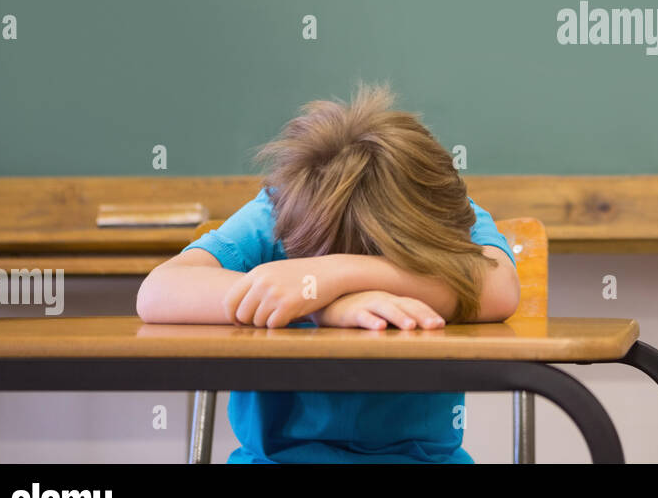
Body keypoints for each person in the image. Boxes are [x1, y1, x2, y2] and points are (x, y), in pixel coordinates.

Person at [136, 82, 520, 463]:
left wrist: (331, 276)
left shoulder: (440, 206)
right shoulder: (285, 209)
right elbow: (158, 291)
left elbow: (500, 288)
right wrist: (321, 307)